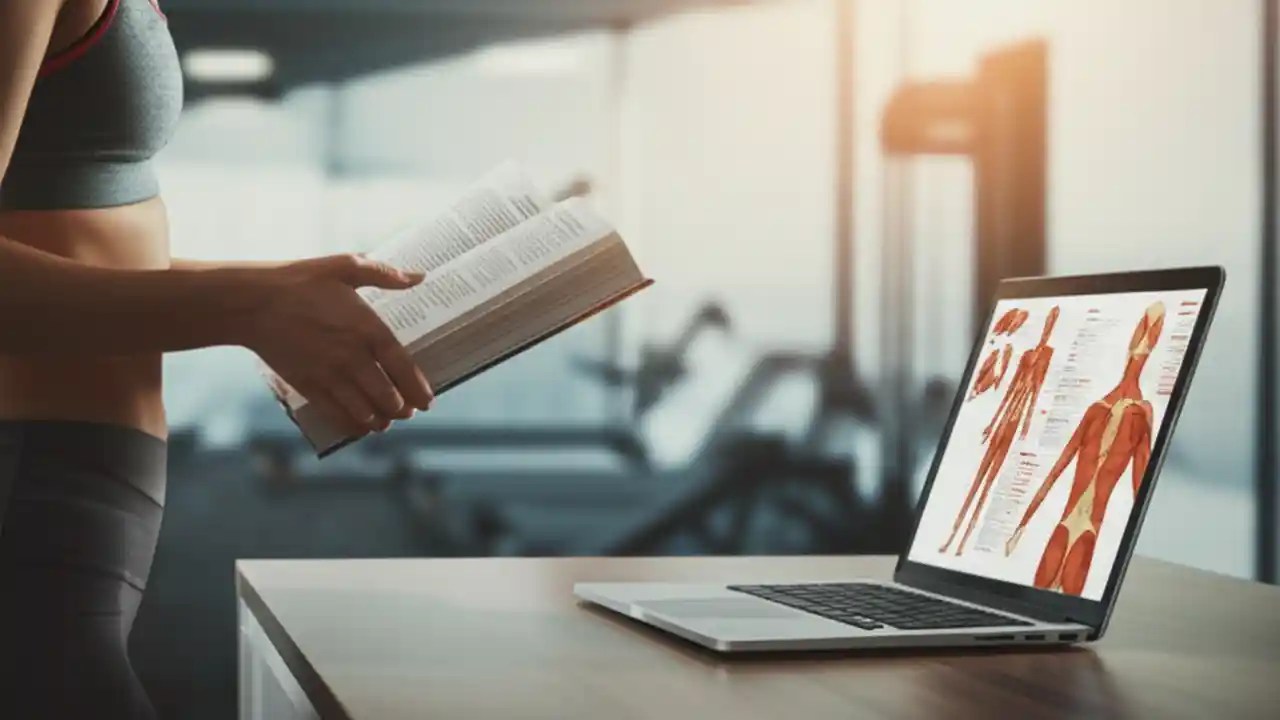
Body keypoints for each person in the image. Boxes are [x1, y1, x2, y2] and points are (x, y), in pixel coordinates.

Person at [0, 1, 434, 716]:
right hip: (33, 482)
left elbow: (72, 229)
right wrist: (245, 307)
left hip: (75, 482)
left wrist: (274, 293)